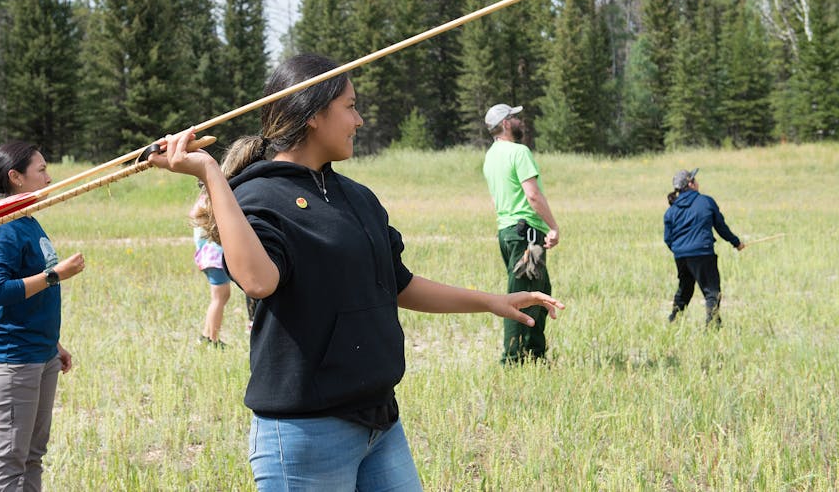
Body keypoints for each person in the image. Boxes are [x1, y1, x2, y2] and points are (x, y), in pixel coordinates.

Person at [149, 54, 564, 490]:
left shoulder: (357, 197)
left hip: (380, 423)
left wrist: (492, 302)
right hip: (306, 434)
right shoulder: (258, 195)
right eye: (350, 106)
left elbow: (397, 284)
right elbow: (258, 281)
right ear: (312, 114)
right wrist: (212, 174)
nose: (360, 120)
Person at [0, 141, 86, 491]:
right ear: (16, 177)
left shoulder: (26, 221)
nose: (49, 178)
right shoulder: (5, 227)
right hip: (13, 363)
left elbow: (27, 298)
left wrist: (54, 344)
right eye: (42, 170)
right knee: (8, 464)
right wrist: (56, 275)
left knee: (32, 456)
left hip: (40, 355)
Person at [482, 103, 561, 364]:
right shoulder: (519, 152)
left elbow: (496, 200)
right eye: (514, 117)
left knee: (541, 291)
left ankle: (535, 354)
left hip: (507, 232)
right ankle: (512, 359)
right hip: (526, 235)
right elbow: (533, 195)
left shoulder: (491, 156)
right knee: (519, 298)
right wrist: (552, 226)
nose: (519, 120)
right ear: (505, 123)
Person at [664, 168, 745, 326]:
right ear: (691, 184)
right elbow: (720, 227)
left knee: (685, 289)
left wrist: (680, 249)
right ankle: (713, 326)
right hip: (702, 253)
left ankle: (673, 320)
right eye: (695, 179)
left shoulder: (671, 211)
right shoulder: (706, 202)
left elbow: (668, 239)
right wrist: (736, 242)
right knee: (711, 292)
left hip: (681, 256)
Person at [189, 184, 231, 346]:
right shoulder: (210, 203)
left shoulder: (201, 202)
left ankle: (206, 334)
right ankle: (213, 338)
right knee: (220, 298)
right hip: (214, 257)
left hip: (208, 258)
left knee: (219, 297)